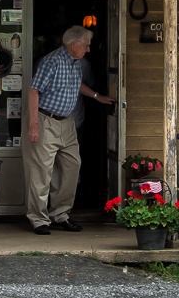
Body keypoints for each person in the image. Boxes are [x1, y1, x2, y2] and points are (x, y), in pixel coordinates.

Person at [24, 25, 113, 234]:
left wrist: (97, 96)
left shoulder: (76, 62)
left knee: (72, 167)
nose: (89, 49)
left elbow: (76, 84)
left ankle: (60, 214)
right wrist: (34, 124)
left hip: (67, 122)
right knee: (41, 172)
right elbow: (33, 91)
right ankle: (38, 219)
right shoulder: (52, 61)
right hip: (46, 119)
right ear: (74, 45)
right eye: (86, 45)